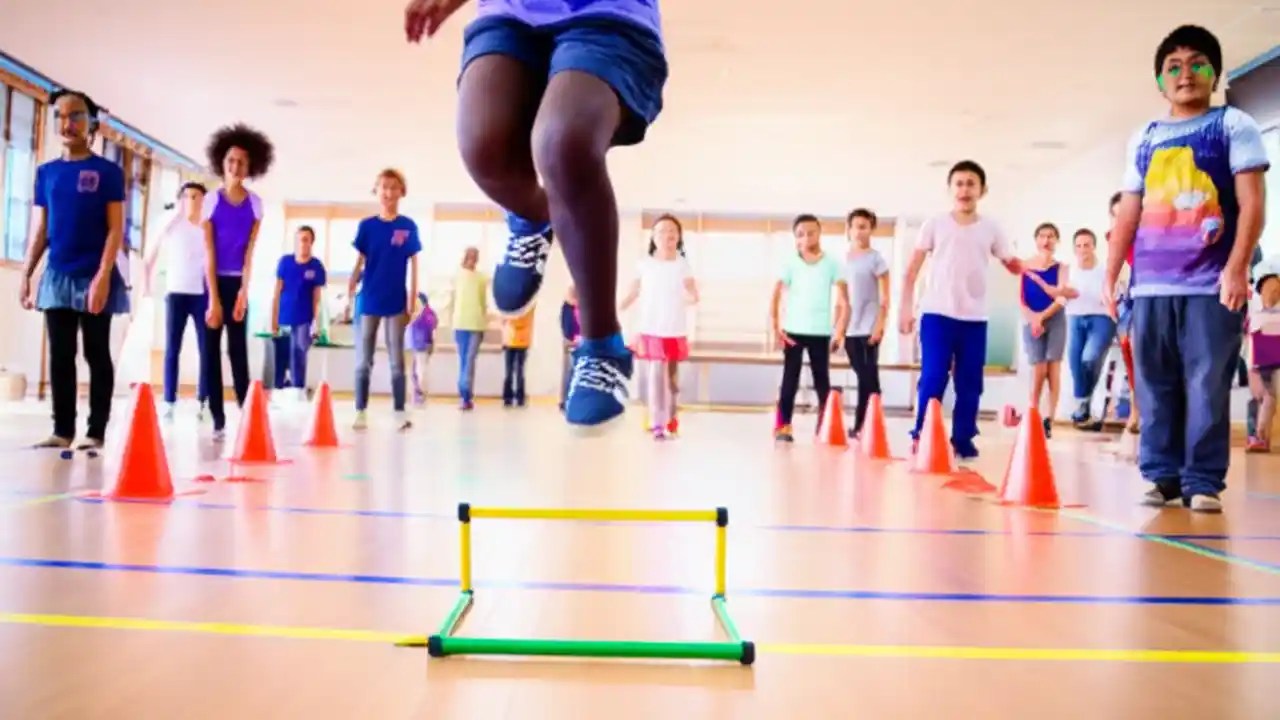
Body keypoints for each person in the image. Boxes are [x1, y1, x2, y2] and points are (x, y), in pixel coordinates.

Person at [404, 0, 668, 429]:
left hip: (608, 15)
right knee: (482, 147)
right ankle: (534, 217)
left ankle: (602, 345)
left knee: (562, 143)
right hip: (511, 12)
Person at [1104, 25, 1269, 513]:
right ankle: (1163, 476)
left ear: (1214, 74)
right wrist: (1114, 271)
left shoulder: (1233, 126)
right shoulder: (1145, 137)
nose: (1185, 74)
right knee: (1155, 385)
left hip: (1211, 285)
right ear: (1160, 81)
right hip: (1150, 288)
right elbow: (1128, 213)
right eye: (1173, 67)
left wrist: (1237, 267)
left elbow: (1252, 203)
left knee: (1206, 383)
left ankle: (1202, 480)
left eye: (1197, 63)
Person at [19, 89, 129, 450]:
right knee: (60, 355)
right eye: (61, 116)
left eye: (77, 115)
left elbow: (116, 229)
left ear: (91, 122)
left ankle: (96, 430)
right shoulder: (47, 173)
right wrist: (27, 272)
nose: (68, 123)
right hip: (57, 275)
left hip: (95, 274)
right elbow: (44, 229)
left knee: (95, 352)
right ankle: (62, 430)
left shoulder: (108, 172)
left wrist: (101, 276)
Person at [899, 160, 1024, 460]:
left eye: (971, 183)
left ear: (982, 190)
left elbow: (1011, 263)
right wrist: (905, 309)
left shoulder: (992, 228)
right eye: (959, 183)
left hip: (974, 318)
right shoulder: (935, 224)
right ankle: (922, 433)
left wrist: (1032, 266)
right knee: (932, 377)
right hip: (936, 314)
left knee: (970, 383)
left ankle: (963, 438)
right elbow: (911, 270)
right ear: (950, 189)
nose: (965, 189)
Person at [201, 123, 273, 439]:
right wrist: (214, 299)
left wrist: (244, 291)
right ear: (222, 162)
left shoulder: (255, 204)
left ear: (250, 167)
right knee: (211, 351)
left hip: (237, 284)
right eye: (231, 160)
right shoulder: (210, 201)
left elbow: (249, 253)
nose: (235, 166)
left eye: (241, 162)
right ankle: (217, 416)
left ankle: (247, 411)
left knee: (238, 350)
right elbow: (209, 252)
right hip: (212, 283)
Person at [348, 169, 421, 431]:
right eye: (384, 187)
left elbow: (414, 264)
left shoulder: (408, 226)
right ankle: (360, 410)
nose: (388, 192)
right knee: (363, 359)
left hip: (396, 302)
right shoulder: (367, 226)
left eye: (394, 187)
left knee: (396, 360)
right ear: (376, 191)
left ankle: (400, 411)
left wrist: (412, 299)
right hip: (369, 300)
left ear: (402, 191)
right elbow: (360, 261)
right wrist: (350, 289)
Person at [770, 214, 850, 443]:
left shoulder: (832, 263)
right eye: (801, 234)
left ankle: (825, 426)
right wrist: (776, 327)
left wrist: (840, 331)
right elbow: (775, 295)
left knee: (821, 381)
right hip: (793, 331)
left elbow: (844, 300)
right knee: (789, 380)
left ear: (819, 233)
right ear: (796, 238)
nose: (806, 237)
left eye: (811, 232)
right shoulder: (790, 263)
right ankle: (783, 426)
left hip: (820, 332)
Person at [620, 214, 698, 439]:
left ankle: (671, 420)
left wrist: (690, 296)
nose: (667, 235)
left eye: (672, 231)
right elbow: (633, 292)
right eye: (662, 231)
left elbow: (693, 295)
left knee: (671, 378)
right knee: (655, 374)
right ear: (653, 237)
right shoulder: (644, 264)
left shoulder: (683, 265)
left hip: (674, 327)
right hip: (650, 326)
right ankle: (656, 422)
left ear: (679, 237)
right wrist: (618, 308)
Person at [144, 181, 210, 420]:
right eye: (187, 196)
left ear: (203, 201)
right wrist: (147, 286)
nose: (192, 201)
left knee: (206, 350)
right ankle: (169, 400)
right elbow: (149, 255)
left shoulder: (207, 227)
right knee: (172, 349)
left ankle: (204, 400)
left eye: (196, 197)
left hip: (202, 295)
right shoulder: (172, 224)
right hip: (176, 294)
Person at [841, 208, 889, 439]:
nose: (859, 231)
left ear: (871, 229)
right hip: (850, 328)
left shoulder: (876, 259)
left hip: (869, 327)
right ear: (848, 229)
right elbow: (841, 300)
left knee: (866, 377)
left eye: (864, 227)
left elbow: (886, 298)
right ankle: (871, 422)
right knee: (866, 377)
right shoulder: (845, 260)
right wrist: (837, 330)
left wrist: (880, 325)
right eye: (855, 226)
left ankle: (863, 425)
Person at [1019, 223, 1070, 438]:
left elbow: (1061, 297)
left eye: (1051, 236)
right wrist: (1033, 318)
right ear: (1036, 239)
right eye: (1042, 236)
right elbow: (1020, 298)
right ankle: (1032, 412)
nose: (1046, 240)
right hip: (1031, 319)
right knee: (1038, 368)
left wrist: (1043, 316)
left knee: (1053, 368)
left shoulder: (1062, 268)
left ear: (1057, 241)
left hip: (1055, 317)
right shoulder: (1026, 266)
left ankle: (1049, 418)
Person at [1063, 228, 1116, 430]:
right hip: (1075, 318)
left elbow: (1114, 294)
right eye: (1079, 245)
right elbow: (1061, 295)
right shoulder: (1068, 271)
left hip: (1101, 319)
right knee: (1076, 363)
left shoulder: (1105, 270)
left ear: (1094, 247)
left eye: (1087, 245)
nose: (1083, 249)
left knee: (1090, 357)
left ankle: (1084, 401)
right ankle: (1083, 404)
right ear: (1074, 249)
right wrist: (1062, 293)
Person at [271, 225, 327, 402]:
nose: (302, 244)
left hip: (304, 319)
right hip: (284, 318)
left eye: (306, 240)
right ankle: (279, 392)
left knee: (299, 354)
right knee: (281, 356)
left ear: (311, 243)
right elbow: (276, 293)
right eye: (299, 239)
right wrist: (273, 319)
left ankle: (298, 391)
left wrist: (316, 323)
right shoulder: (285, 263)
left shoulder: (316, 266)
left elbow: (317, 299)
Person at [449, 246, 489, 410]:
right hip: (463, 324)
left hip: (472, 324)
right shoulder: (458, 276)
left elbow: (482, 302)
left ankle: (465, 396)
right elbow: (453, 300)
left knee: (467, 361)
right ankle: (465, 395)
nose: (473, 260)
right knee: (467, 361)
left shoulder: (481, 278)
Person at [1245, 264, 1280, 453]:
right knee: (1266, 396)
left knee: (1266, 396)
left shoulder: (1256, 301)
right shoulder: (1255, 301)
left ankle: (1258, 436)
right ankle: (1258, 436)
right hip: (1261, 349)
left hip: (1265, 348)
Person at [406, 292, 437, 405]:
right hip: (416, 345)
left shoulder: (425, 314)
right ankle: (418, 392)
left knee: (419, 370)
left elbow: (431, 331)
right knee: (416, 370)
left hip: (420, 345)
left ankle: (420, 392)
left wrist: (431, 344)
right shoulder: (428, 313)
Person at [501, 304, 536, 407]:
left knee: (509, 370)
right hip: (522, 340)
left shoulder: (510, 306)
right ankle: (520, 398)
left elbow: (504, 319)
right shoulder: (529, 306)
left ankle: (508, 397)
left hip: (510, 339)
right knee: (519, 371)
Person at [559, 284, 580, 411]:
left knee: (575, 371)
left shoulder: (582, 306)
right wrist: (572, 339)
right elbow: (567, 325)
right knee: (569, 371)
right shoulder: (569, 307)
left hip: (582, 340)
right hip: (571, 340)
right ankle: (565, 400)